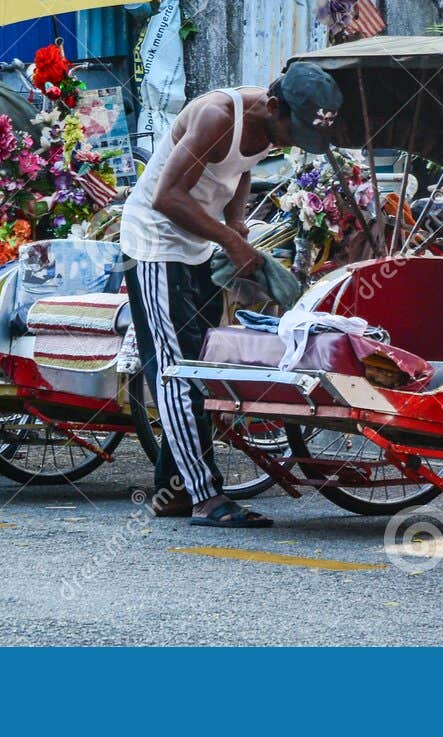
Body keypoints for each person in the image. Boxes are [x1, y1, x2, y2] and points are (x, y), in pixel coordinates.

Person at [120, 62, 342, 528]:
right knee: (174, 370)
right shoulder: (218, 115)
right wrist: (230, 240)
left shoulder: (266, 125)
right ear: (274, 106)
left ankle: (171, 489)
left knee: (199, 363)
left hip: (199, 244)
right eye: (291, 130)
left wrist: (237, 222)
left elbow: (241, 169)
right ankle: (204, 498)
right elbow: (166, 197)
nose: (289, 142)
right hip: (156, 244)